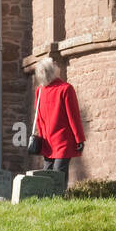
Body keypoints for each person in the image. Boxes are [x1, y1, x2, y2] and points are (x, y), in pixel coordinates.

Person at [31, 57, 85, 188]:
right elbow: (73, 116)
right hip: (62, 140)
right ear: (52, 70)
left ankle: (47, 200)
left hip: (47, 140)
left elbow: (38, 117)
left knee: (47, 173)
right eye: (54, 63)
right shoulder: (65, 89)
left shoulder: (40, 91)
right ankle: (57, 200)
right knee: (58, 175)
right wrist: (79, 139)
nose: (57, 64)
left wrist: (42, 137)